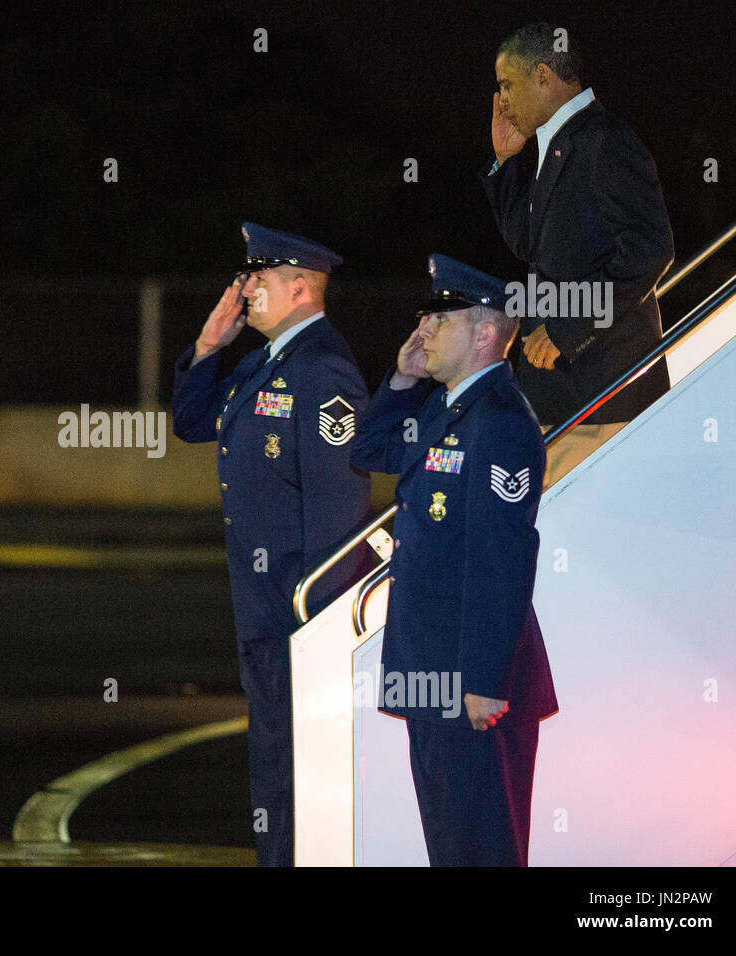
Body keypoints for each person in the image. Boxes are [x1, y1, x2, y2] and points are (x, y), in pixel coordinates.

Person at [173, 222, 371, 866]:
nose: (244, 288)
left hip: (296, 612)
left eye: (257, 278)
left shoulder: (324, 370)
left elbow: (339, 512)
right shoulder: (265, 362)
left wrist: (320, 620)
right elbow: (194, 422)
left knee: (297, 769)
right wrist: (208, 346)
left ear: (300, 289)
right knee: (276, 763)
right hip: (264, 606)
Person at [351, 254, 557, 866]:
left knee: (481, 846)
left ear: (485, 333)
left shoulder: (498, 421)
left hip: (468, 681)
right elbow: (368, 449)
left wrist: (482, 682)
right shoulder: (446, 407)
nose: (422, 332)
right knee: (452, 843)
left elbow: (504, 562)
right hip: (433, 668)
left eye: (438, 321)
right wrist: (403, 380)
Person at [482, 21, 674, 483]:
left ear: (544, 76)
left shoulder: (603, 140)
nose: (502, 100)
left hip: (602, 396)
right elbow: (527, 245)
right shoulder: (559, 145)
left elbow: (651, 249)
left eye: (507, 85)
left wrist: (570, 328)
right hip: (570, 397)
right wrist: (506, 163)